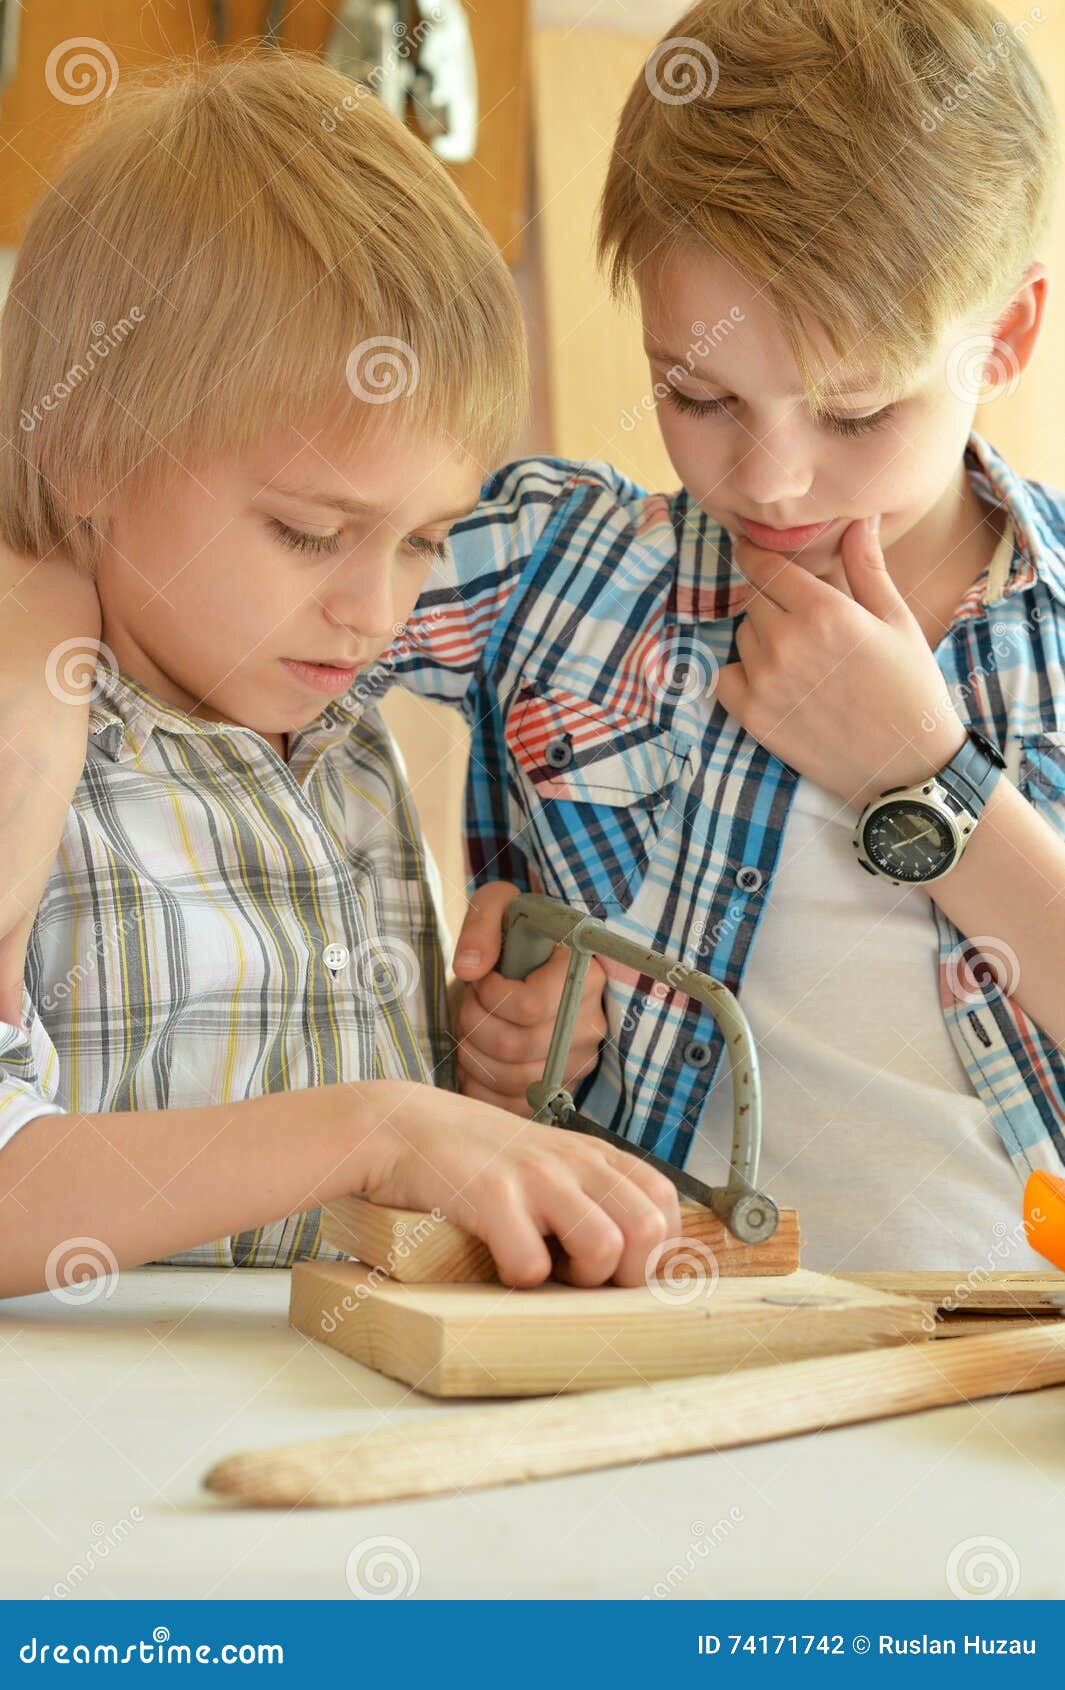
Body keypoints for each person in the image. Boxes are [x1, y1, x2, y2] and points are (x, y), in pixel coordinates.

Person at [5, 1, 1065, 1273]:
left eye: (856, 411)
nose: (773, 482)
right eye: (700, 394)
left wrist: (927, 775)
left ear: (1004, 335)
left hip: (1003, 1364)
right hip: (646, 1352)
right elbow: (170, 560)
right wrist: (36, 651)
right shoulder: (559, 569)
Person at [0, 48, 680, 1299]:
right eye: (309, 532)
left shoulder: (347, 748)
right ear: (88, 449)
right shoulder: (32, 742)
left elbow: (385, 1160)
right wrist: (376, 1130)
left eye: (423, 541)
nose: (374, 614)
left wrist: (487, 1095)